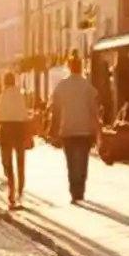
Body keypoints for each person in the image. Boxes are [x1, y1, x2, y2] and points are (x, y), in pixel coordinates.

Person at [49, 51, 101, 203]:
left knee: (71, 162)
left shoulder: (61, 86)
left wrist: (53, 129)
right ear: (80, 67)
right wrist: (97, 131)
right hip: (84, 130)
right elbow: (93, 110)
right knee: (83, 161)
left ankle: (73, 190)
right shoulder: (87, 86)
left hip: (67, 129)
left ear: (69, 67)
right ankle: (80, 189)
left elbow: (56, 110)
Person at [0, 71, 30, 207]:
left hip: (6, 128)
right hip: (19, 128)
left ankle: (11, 188)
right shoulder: (20, 94)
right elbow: (24, 113)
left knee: (7, 161)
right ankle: (20, 188)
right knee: (20, 161)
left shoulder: (3, 95)